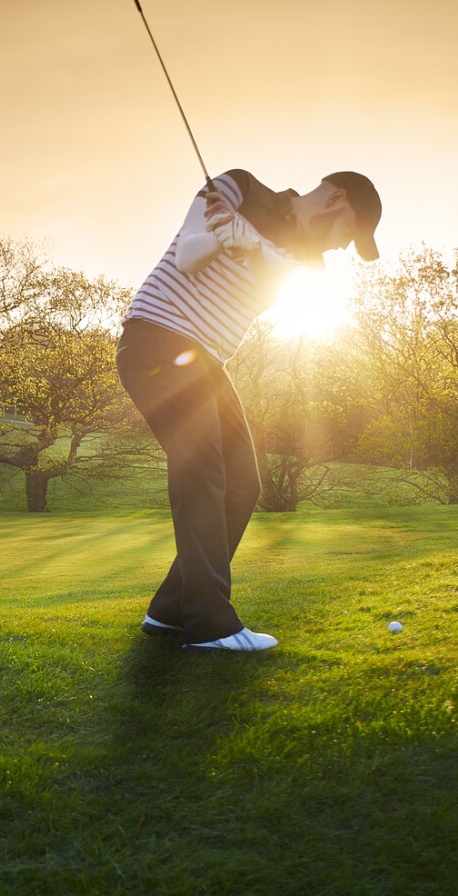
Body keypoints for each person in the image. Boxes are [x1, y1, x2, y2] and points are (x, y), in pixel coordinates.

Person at [117, 169, 382, 651]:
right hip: (159, 339)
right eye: (351, 232)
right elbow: (190, 255)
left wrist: (248, 240)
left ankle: (170, 611)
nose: (345, 246)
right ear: (337, 199)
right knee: (203, 472)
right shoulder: (239, 186)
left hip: (204, 361)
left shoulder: (309, 261)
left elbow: (289, 275)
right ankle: (211, 625)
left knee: (243, 483)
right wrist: (226, 236)